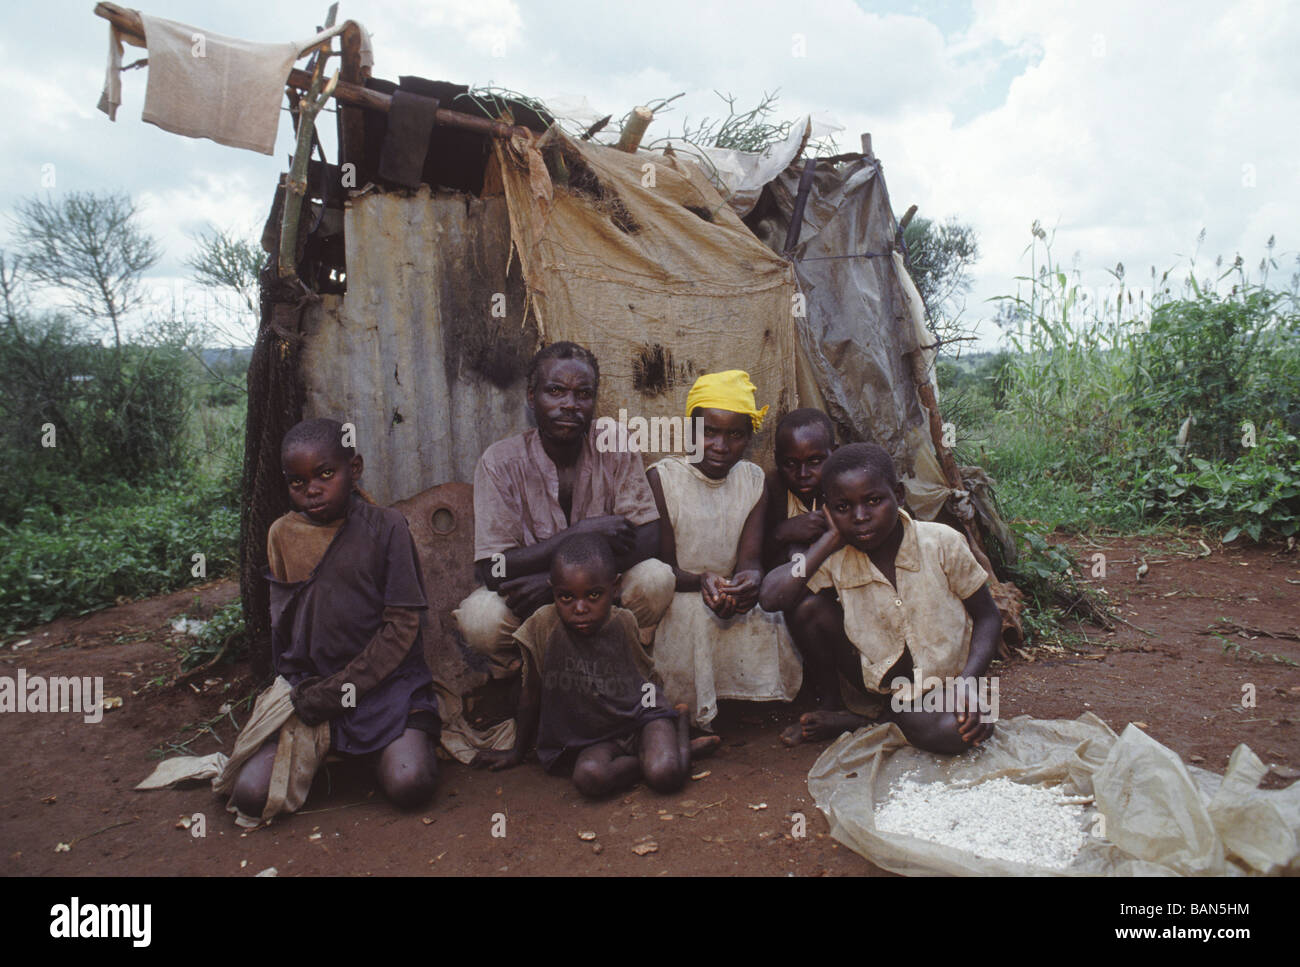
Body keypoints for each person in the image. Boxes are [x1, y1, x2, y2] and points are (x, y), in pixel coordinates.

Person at [230, 418, 440, 816]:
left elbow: (402, 628)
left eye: (326, 474)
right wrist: (293, 693)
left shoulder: (387, 527)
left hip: (384, 689)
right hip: (311, 691)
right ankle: (337, 752)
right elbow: (283, 627)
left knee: (410, 781)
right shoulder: (281, 534)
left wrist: (339, 692)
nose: (312, 489)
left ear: (354, 469)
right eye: (298, 482)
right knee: (252, 796)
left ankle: (373, 752)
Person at [759, 442, 1002, 753]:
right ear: (828, 511)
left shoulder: (941, 542)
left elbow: (988, 616)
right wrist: (830, 539)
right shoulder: (836, 556)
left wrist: (968, 682)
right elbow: (771, 597)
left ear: (898, 496)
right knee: (807, 608)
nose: (860, 517)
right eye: (843, 508)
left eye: (873, 501)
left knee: (959, 731)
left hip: (949, 684)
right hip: (885, 685)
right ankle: (877, 713)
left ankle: (869, 721)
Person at [454, 342, 675, 683]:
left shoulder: (614, 441)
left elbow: (648, 538)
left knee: (655, 578)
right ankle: (525, 681)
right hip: (535, 607)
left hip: (601, 598)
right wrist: (579, 534)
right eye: (555, 391)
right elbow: (494, 569)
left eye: (582, 394)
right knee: (480, 620)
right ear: (532, 397)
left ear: (593, 400)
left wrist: (557, 583)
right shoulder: (500, 462)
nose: (569, 405)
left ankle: (630, 671)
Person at [471, 533, 719, 797]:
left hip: (639, 720)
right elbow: (530, 692)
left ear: (614, 588)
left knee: (665, 776)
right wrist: (516, 752)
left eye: (593, 595)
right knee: (589, 777)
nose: (580, 608)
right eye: (566, 597)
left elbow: (645, 681)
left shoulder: (622, 622)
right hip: (593, 737)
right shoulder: (541, 627)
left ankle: (673, 734)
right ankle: (676, 752)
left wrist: (656, 716)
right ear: (552, 589)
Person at [646, 370, 802, 730]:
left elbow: (749, 559)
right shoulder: (664, 478)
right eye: (709, 432)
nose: (720, 445)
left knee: (766, 612)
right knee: (695, 617)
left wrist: (748, 580)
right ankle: (691, 711)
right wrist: (703, 581)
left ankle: (748, 701)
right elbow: (664, 567)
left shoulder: (752, 480)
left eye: (735, 435)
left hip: (726, 590)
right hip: (682, 590)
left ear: (748, 438)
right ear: (691, 433)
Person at [762, 407, 838, 571]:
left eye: (815, 461)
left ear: (835, 453)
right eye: (790, 463)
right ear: (776, 459)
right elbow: (753, 559)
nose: (803, 474)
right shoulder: (770, 489)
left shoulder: (845, 488)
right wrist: (782, 533)